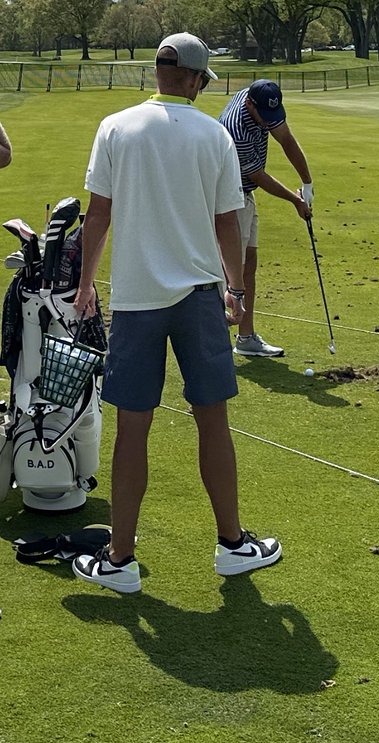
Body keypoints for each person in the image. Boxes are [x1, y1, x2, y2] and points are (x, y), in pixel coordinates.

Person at [71, 34, 282, 594]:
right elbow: (226, 224)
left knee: (131, 428)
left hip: (137, 299)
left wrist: (86, 285)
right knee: (212, 419)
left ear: (160, 72)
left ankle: (120, 560)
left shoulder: (114, 126)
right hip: (198, 296)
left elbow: (98, 217)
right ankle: (233, 546)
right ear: (193, 78)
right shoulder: (213, 135)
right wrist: (236, 288)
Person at [218, 79, 312, 357]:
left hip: (244, 194)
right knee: (229, 271)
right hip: (228, 196)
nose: (269, 123)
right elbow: (258, 176)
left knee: (249, 264)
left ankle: (245, 338)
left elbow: (286, 138)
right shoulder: (237, 130)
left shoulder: (261, 99)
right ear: (249, 105)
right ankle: (214, 341)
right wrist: (295, 200)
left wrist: (307, 183)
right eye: (264, 117)